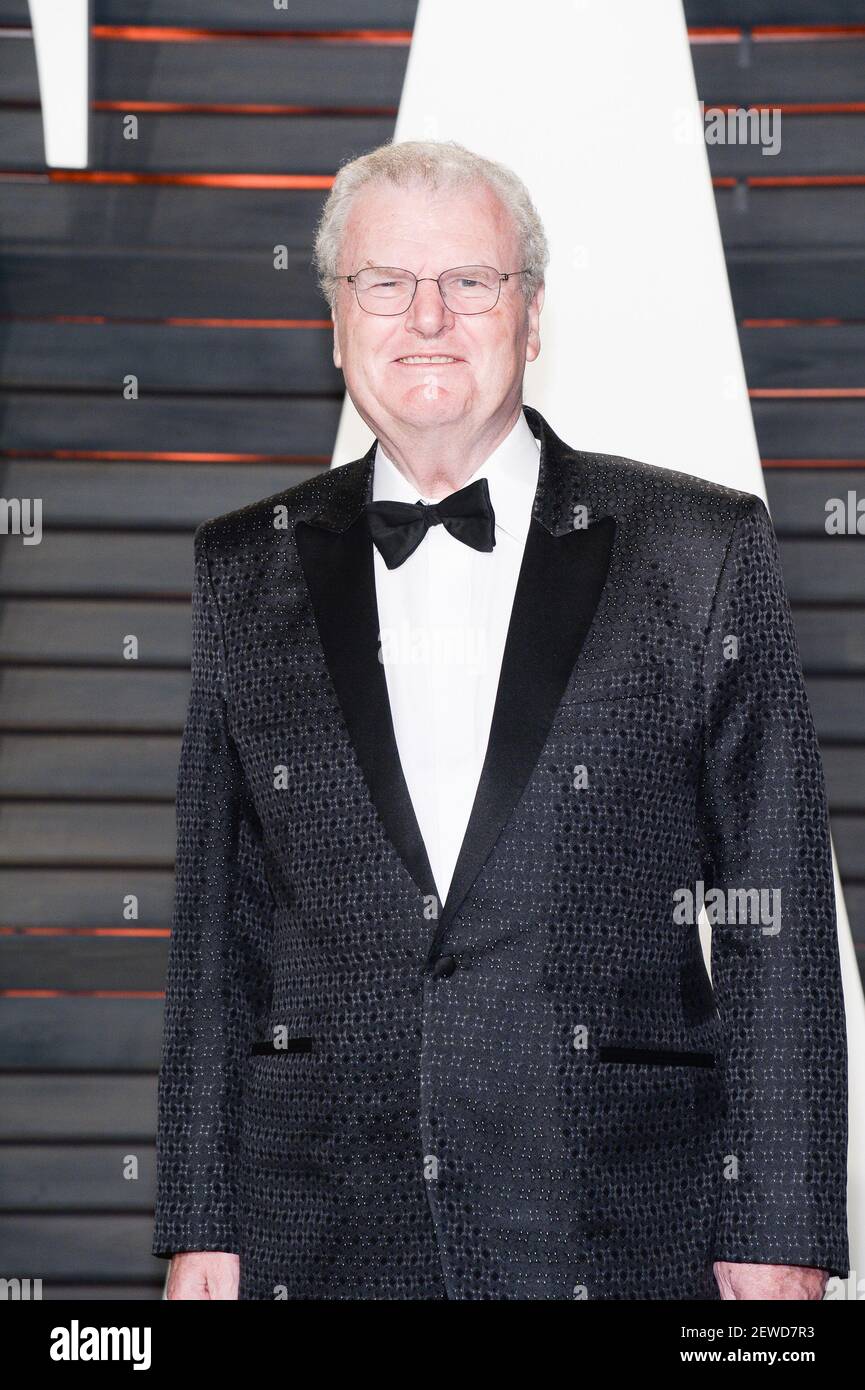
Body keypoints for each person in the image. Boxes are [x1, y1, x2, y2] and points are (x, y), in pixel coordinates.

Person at [152, 140, 849, 1300]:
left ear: (530, 317)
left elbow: (774, 916)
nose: (426, 315)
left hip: (619, 1224)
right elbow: (217, 936)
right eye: (384, 282)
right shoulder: (241, 568)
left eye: (470, 282)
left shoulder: (696, 549)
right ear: (337, 320)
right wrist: (201, 1219)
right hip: (318, 1235)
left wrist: (780, 1223)